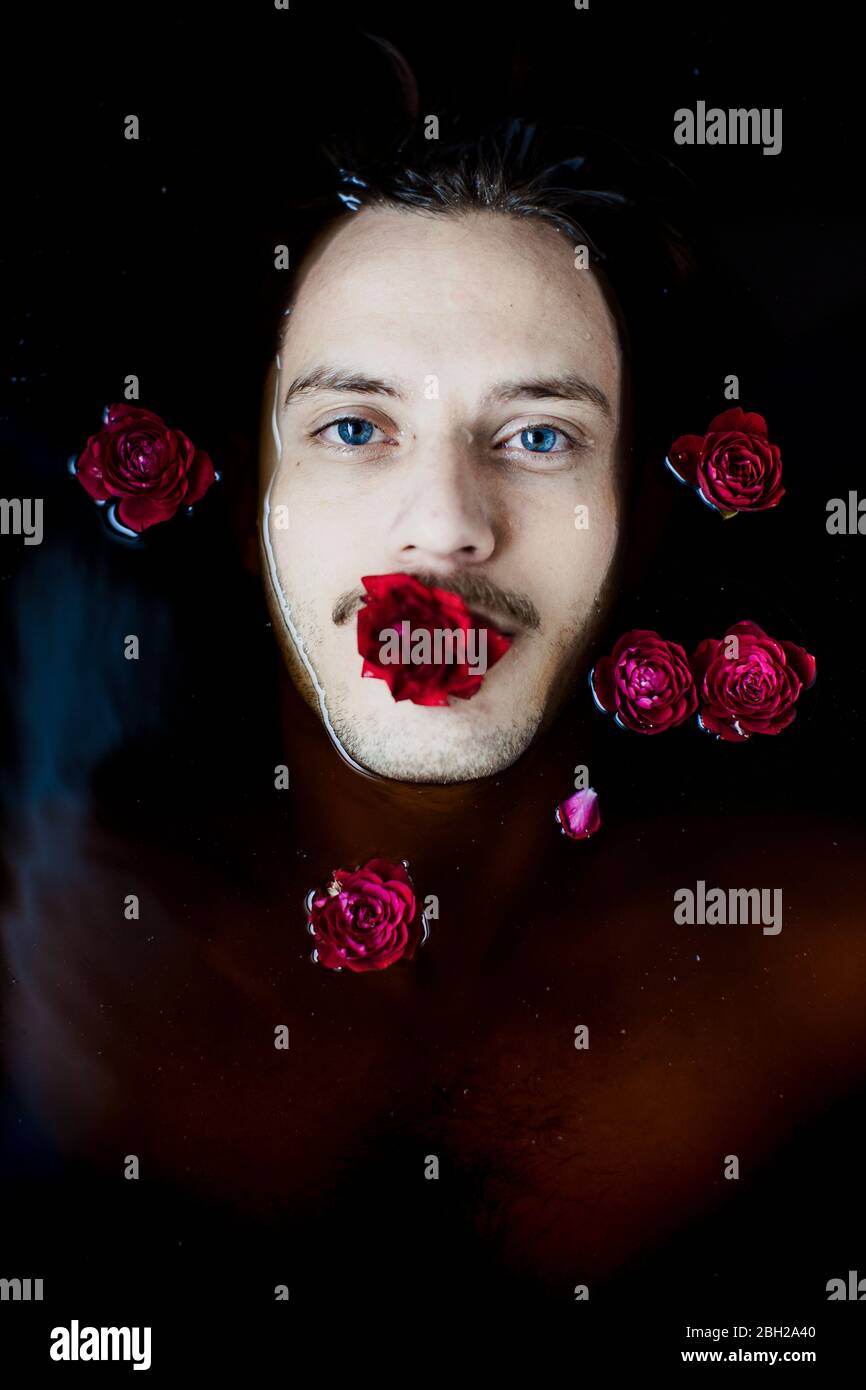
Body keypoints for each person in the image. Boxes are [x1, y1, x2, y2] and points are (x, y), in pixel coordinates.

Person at [2, 113, 865, 1345]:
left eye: (538, 436)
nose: (447, 524)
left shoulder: (823, 969)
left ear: (636, 526)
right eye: (353, 427)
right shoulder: (39, 947)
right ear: (254, 519)